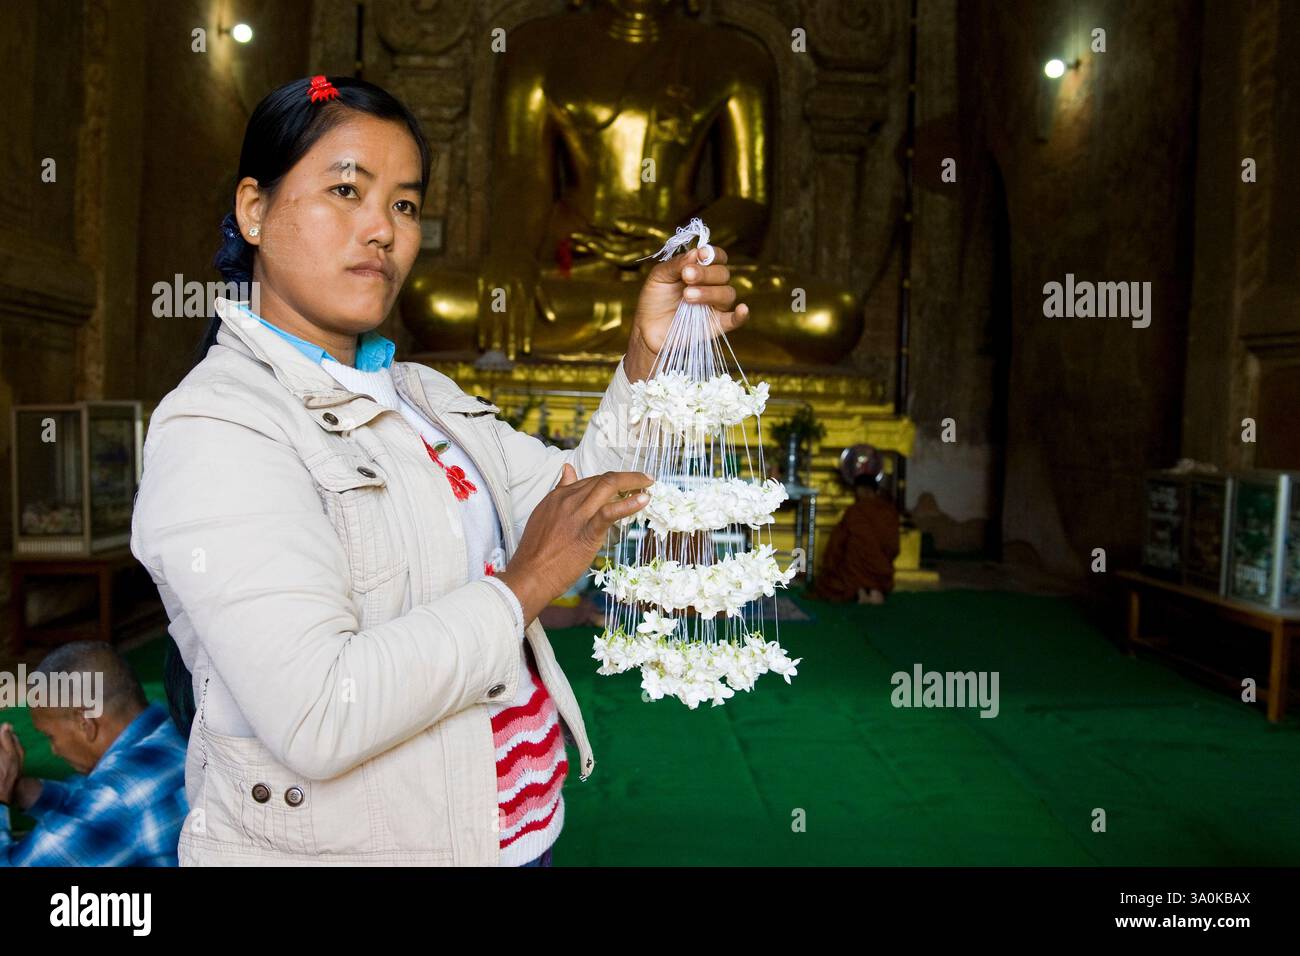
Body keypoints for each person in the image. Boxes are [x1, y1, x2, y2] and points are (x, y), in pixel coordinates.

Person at [129, 74, 749, 866]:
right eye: (346, 191)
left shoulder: (420, 394)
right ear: (255, 209)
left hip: (511, 836)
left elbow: (577, 502)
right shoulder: (216, 426)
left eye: (405, 205)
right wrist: (525, 585)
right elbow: (320, 712)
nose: (381, 230)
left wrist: (651, 352)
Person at [0, 641, 188, 866]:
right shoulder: (176, 732)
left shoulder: (116, 793)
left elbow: (108, 802)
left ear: (84, 722)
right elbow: (92, 805)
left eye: (51, 736)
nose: (54, 750)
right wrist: (20, 789)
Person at [812, 474, 901, 605]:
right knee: (858, 548)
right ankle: (875, 590)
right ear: (876, 491)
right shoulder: (888, 511)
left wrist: (829, 564)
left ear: (857, 491)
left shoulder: (855, 511)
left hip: (856, 567)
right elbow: (893, 545)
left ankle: (860, 591)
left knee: (853, 549)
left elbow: (837, 543)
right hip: (882, 566)